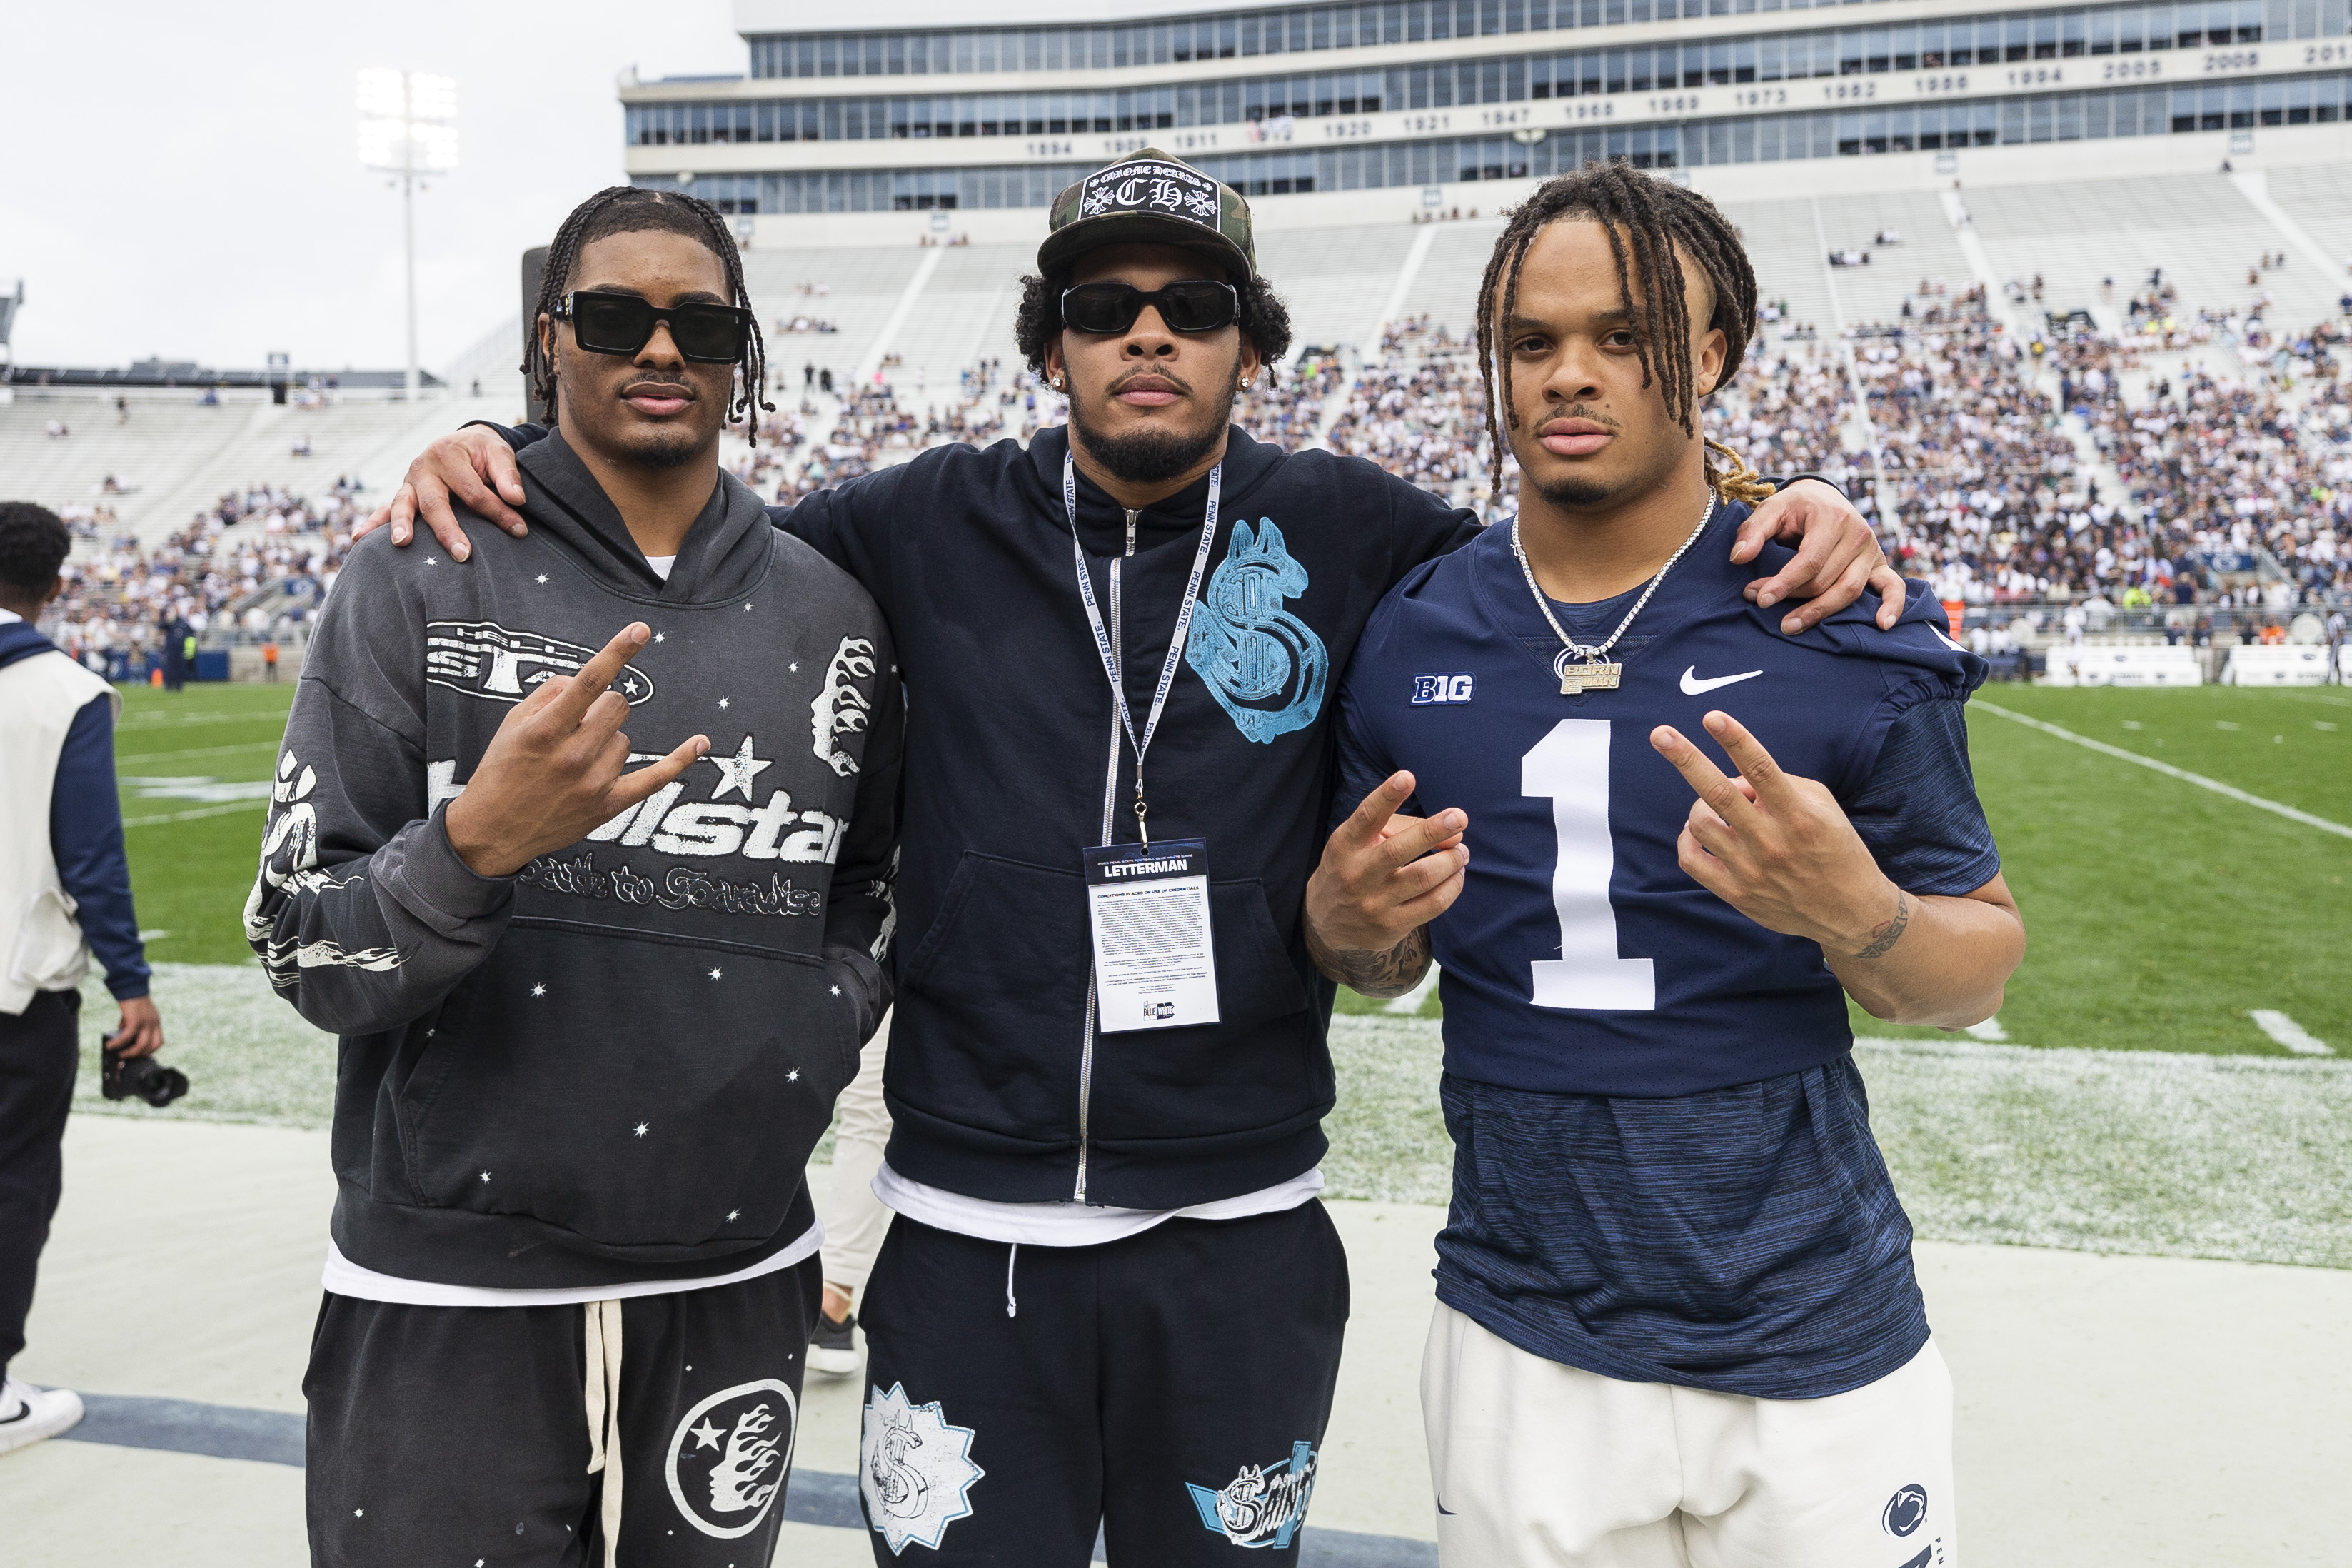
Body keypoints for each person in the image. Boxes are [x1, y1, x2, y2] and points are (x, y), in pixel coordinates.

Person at [362, 150, 1900, 1564]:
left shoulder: (1360, 531)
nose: (1148, 335)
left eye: (1195, 305)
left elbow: (1594, 532)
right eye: (1106, 305)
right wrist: (503, 447)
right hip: (966, 1236)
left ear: (1250, 344)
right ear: (1053, 346)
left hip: (1240, 1241)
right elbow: (683, 523)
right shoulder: (917, 521)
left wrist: (1788, 495)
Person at [1306, 164, 2024, 1567]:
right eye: (1533, 341)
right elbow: (1378, 960)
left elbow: (1972, 967)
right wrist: (1346, 927)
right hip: (1526, 1331)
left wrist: (1860, 915)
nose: (1571, 375)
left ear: (1709, 354)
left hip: (1817, 1329)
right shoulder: (1410, 632)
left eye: (1624, 337)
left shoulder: (1834, 614)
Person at [246, 187, 903, 1565]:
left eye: (700, 321)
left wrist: (814, 1018)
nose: (660, 349)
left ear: (745, 351)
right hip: (449, 1293)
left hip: (737, 1274)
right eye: (616, 317)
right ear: (551, 339)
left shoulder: (834, 606)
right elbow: (301, 946)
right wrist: (475, 846)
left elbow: (869, 885)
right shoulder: (419, 571)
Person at [0, 500, 162, 1457]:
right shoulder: (64, 691)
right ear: (57, 585)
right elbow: (91, 859)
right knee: (14, 1180)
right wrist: (131, 985)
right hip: (17, 989)